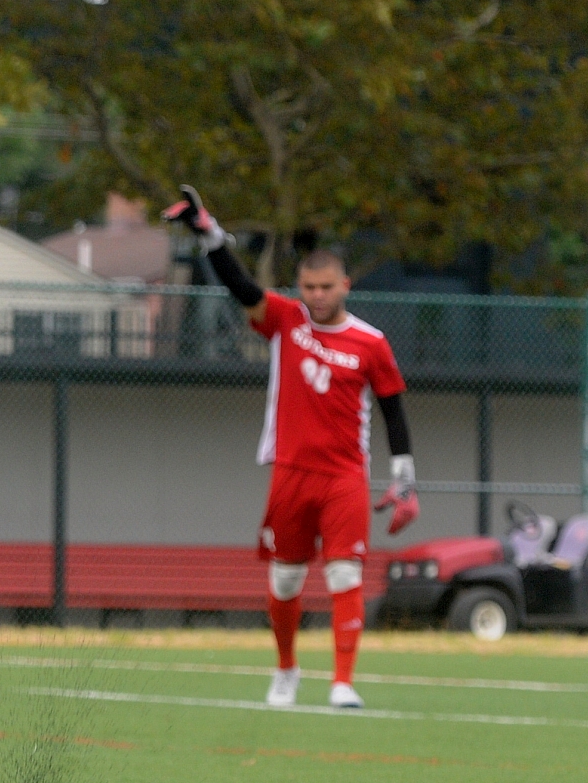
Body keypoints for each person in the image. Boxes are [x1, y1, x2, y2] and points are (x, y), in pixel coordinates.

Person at [165, 187, 417, 709]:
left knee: (345, 573)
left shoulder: (371, 342)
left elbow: (393, 408)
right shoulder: (287, 320)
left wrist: (404, 476)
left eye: (326, 286)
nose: (317, 296)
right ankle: (286, 670)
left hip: (345, 476)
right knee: (285, 580)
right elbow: (240, 287)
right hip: (291, 471)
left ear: (345, 285)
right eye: (309, 287)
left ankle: (342, 682)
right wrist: (209, 234)